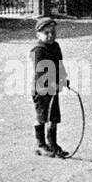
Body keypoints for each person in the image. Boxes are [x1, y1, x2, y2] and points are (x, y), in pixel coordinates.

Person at [31, 16, 70, 158]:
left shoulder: (56, 46)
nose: (50, 35)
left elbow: (59, 65)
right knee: (42, 116)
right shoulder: (38, 50)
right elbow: (41, 71)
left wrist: (64, 78)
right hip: (41, 89)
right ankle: (40, 145)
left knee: (54, 117)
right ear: (38, 35)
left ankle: (52, 143)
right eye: (46, 33)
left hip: (53, 89)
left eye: (53, 32)